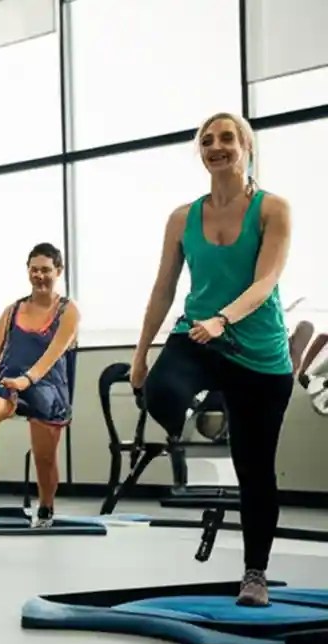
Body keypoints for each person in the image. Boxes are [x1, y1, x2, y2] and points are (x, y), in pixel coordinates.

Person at [132, 111, 293, 608]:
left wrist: (224, 318)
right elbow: (163, 287)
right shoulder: (183, 218)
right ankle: (207, 407)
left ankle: (255, 574)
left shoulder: (272, 209)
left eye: (227, 138)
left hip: (258, 353)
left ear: (246, 147)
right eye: (207, 140)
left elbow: (266, 280)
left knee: (255, 471)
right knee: (160, 392)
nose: (216, 146)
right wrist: (140, 355)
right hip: (199, 335)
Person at [0, 243, 79, 528]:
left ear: (59, 271)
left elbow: (52, 355)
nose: (39, 276)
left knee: (44, 458)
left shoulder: (68, 311)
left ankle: (46, 507)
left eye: (46, 270)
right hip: (9, 380)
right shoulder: (13, 310)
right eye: (34, 270)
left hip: (47, 385)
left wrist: (26, 380)